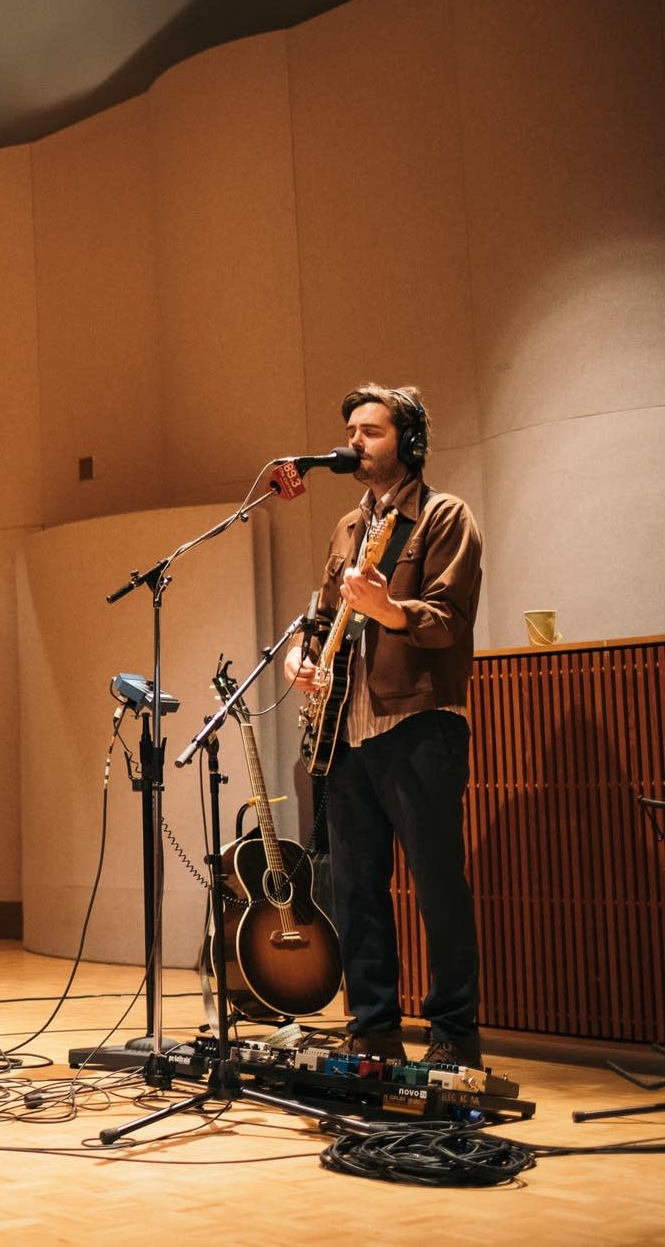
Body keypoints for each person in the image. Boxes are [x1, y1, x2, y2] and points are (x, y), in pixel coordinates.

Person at [283, 384, 484, 1067]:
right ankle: (372, 1029)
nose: (354, 441)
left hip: (419, 721)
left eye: (370, 429)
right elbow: (320, 620)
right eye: (350, 429)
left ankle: (454, 1033)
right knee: (356, 888)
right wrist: (302, 658)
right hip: (347, 730)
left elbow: (448, 618)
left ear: (409, 440)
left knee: (436, 884)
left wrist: (388, 606)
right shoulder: (347, 528)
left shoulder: (443, 517)